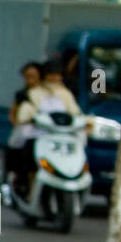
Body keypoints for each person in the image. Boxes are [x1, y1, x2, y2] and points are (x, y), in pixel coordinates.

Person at [11, 59, 84, 198]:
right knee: (29, 155)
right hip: (39, 135)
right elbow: (26, 111)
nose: (54, 78)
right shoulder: (35, 92)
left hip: (61, 137)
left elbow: (75, 111)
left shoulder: (65, 93)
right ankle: (27, 185)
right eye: (51, 74)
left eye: (57, 75)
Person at [5, 61, 43, 194]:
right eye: (27, 76)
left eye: (33, 76)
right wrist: (20, 124)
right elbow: (13, 113)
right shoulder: (22, 94)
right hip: (25, 133)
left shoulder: (45, 94)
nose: (30, 79)